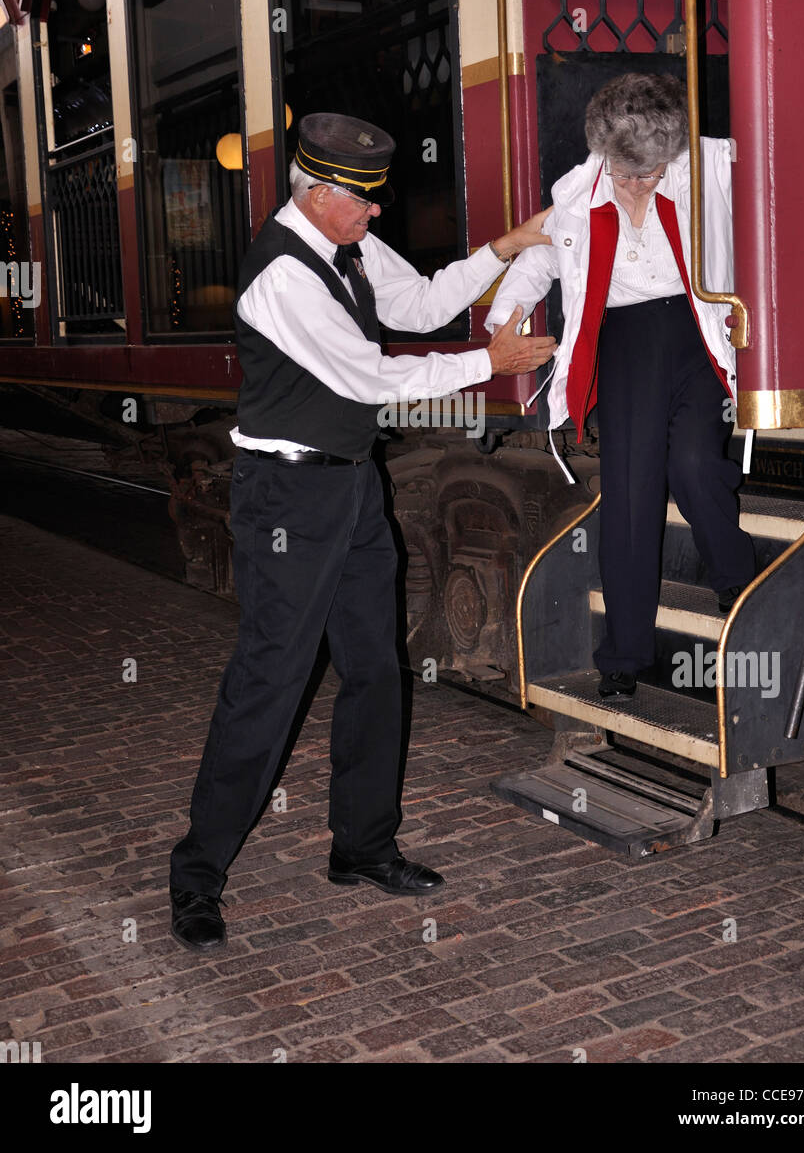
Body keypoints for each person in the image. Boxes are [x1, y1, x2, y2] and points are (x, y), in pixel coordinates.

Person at [169, 112, 557, 951]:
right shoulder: (282, 277)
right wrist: (492, 364)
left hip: (349, 489)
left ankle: (363, 846)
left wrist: (502, 249)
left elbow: (417, 303)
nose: (375, 216)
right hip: (285, 499)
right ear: (317, 194)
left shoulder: (343, 243)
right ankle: (197, 875)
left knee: (377, 670)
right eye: (362, 205)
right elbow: (367, 378)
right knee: (270, 681)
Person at [486, 73, 755, 700]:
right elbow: (539, 259)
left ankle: (736, 580)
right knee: (631, 490)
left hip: (695, 333)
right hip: (626, 343)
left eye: (651, 173)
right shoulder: (578, 194)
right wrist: (504, 319)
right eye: (626, 174)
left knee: (692, 464)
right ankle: (625, 654)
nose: (637, 186)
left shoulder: (708, 167)